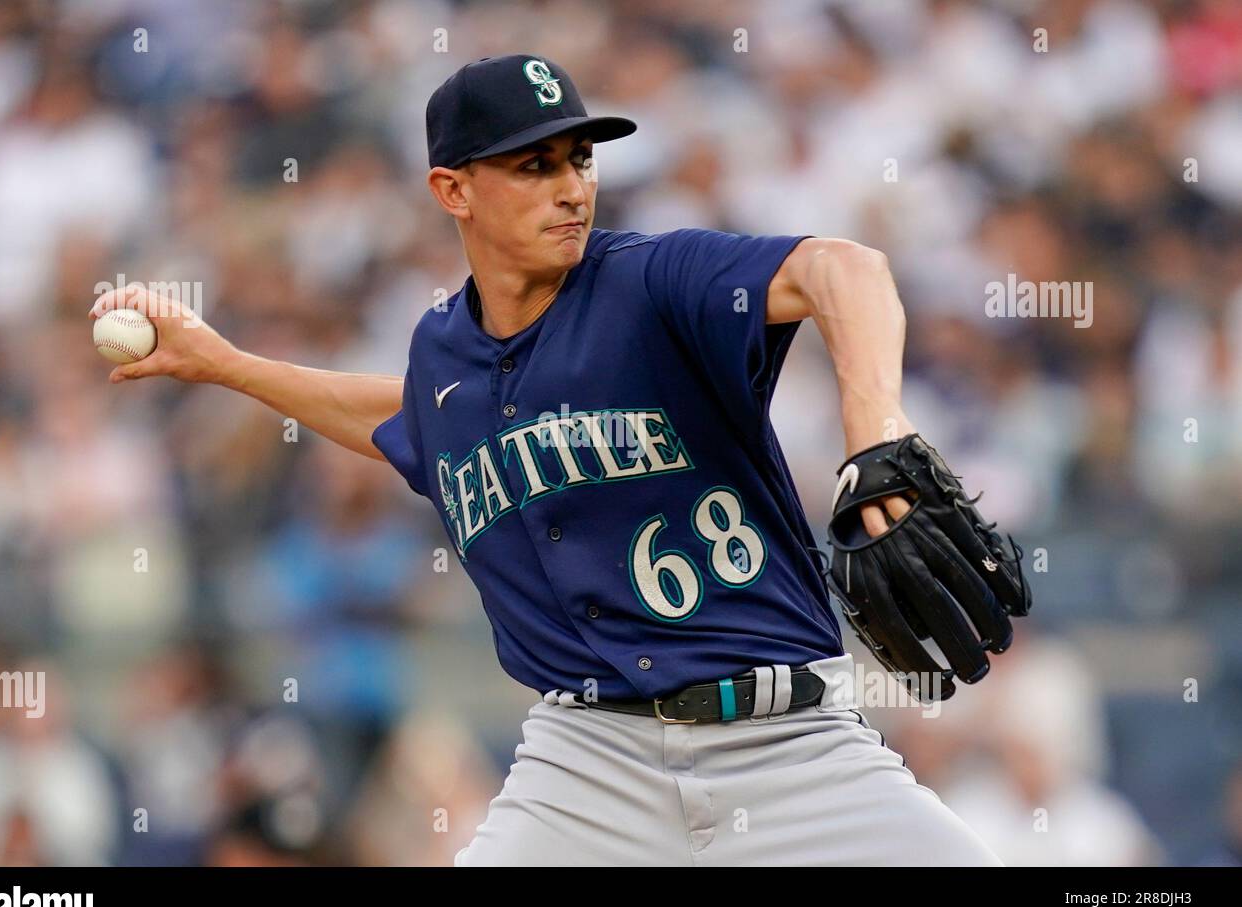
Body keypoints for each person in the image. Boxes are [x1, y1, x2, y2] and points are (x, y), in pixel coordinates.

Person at [89, 53, 1009, 866]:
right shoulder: (444, 359)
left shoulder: (650, 283)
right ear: (453, 191)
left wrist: (877, 433)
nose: (572, 186)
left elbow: (844, 270)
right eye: (534, 165)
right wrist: (225, 364)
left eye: (580, 159)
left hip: (790, 747)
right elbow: (406, 416)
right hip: (587, 766)